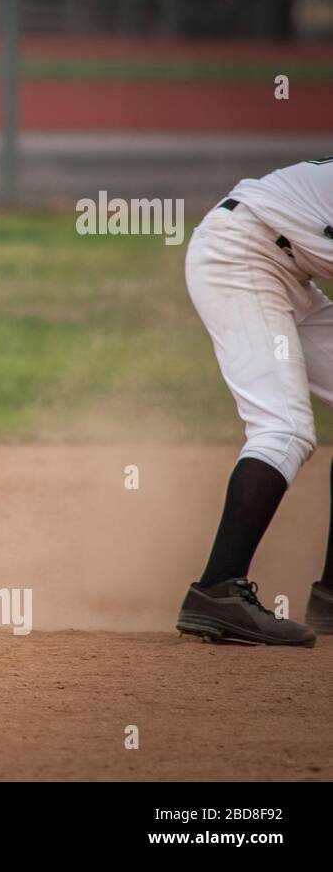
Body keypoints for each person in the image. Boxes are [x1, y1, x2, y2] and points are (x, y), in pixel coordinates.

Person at [176, 156, 333, 646]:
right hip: (242, 253)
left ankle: (332, 595)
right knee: (283, 429)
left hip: (284, 262)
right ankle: (217, 589)